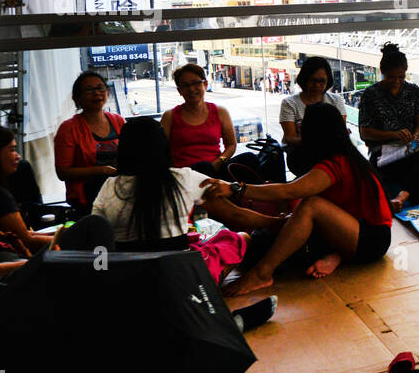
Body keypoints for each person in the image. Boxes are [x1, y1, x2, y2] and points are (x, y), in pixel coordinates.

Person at [203, 104, 393, 296]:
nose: (299, 125)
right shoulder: (339, 159)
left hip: (371, 241)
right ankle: (337, 255)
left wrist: (236, 188)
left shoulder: (338, 162)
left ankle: (262, 273)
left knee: (311, 207)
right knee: (293, 221)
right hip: (351, 230)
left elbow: (289, 192)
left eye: (304, 122)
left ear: (316, 130)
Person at [91, 118, 284, 283]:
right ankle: (212, 287)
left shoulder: (109, 187)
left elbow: (97, 240)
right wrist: (278, 222)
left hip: (132, 281)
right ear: (163, 146)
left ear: (123, 149)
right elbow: (235, 215)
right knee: (241, 238)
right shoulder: (182, 178)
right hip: (183, 280)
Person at [357, 43, 419, 214]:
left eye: (401, 77)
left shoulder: (413, 91)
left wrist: (415, 137)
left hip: (409, 149)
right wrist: (394, 134)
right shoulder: (370, 95)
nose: (396, 82)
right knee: (418, 170)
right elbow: (365, 132)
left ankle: (413, 198)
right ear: (383, 73)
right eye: (391, 77)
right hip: (382, 154)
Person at [54, 72, 125, 210]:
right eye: (89, 90)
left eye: (101, 88)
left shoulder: (118, 121)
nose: (97, 93)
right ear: (77, 98)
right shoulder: (68, 128)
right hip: (87, 198)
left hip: (120, 194)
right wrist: (100, 170)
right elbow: (63, 172)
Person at [161, 63, 238, 179]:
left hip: (214, 171)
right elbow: (160, 151)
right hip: (184, 175)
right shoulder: (170, 116)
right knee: (203, 167)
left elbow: (231, 145)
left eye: (196, 83)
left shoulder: (220, 112)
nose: (191, 89)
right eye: (185, 85)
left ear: (205, 84)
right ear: (179, 91)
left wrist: (218, 163)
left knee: (250, 158)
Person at [280, 56, 348, 174]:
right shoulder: (289, 103)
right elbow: (290, 137)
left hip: (330, 155)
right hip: (301, 155)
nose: (317, 85)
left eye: (321, 81)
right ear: (304, 79)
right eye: (312, 80)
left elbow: (341, 132)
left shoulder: (336, 100)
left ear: (328, 81)